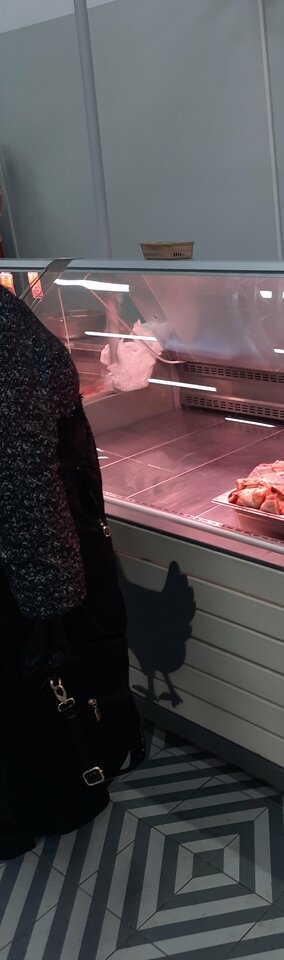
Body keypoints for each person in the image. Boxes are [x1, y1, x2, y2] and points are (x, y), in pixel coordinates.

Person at [0, 287, 138, 859]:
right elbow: (19, 467)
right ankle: (48, 799)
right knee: (32, 686)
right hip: (24, 553)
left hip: (21, 547)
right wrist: (55, 589)